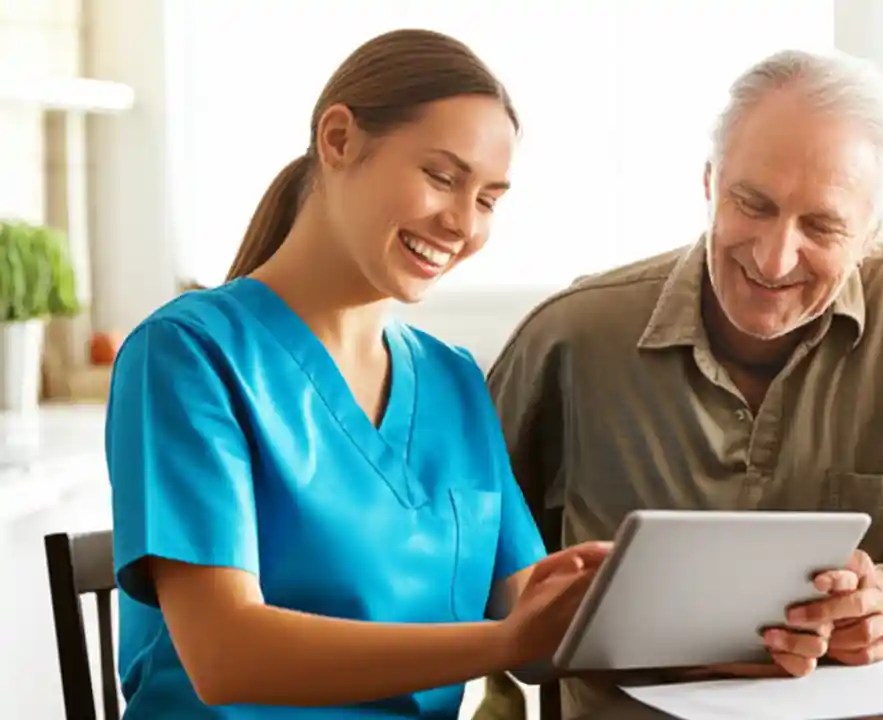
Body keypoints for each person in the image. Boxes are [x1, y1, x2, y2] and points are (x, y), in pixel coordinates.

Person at [483, 48, 883, 717]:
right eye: (752, 204)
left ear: (871, 233)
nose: (774, 257)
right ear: (711, 182)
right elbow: (470, 583)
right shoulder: (572, 334)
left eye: (822, 226)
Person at [104, 28, 610, 719]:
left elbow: (532, 636)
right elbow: (224, 655)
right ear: (338, 139)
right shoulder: (187, 355)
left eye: (489, 199)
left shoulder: (453, 381)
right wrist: (500, 641)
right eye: (441, 176)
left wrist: (732, 636)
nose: (463, 223)